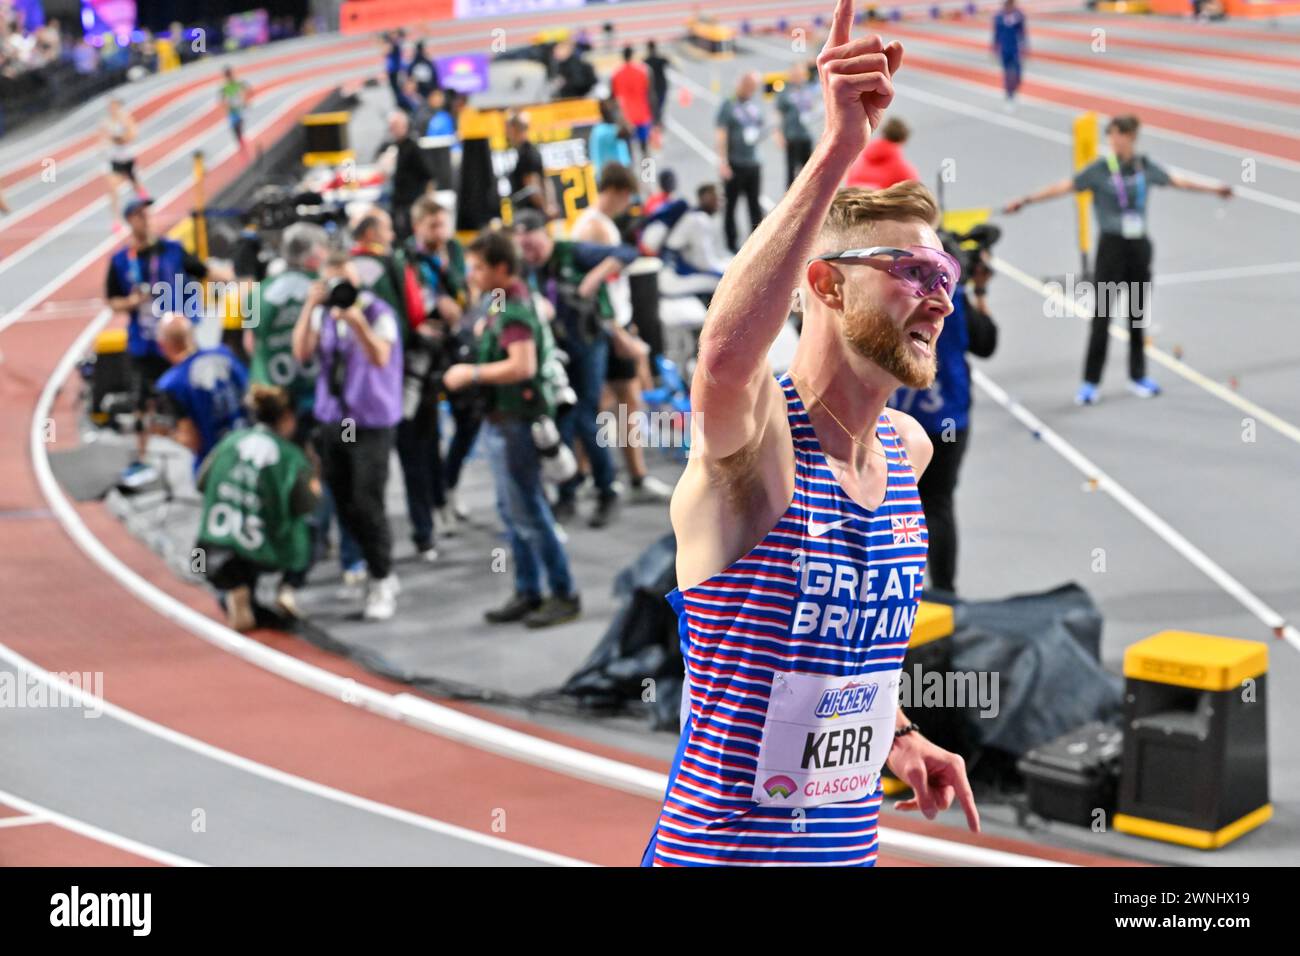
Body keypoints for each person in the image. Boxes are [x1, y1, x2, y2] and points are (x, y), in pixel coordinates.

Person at [640, 1, 979, 867]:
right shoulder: (759, 446)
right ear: (825, 287)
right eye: (910, 271)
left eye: (944, 273)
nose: (940, 295)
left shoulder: (906, 453)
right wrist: (835, 150)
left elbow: (845, 649)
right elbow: (721, 357)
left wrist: (897, 733)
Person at [1003, 113, 1233, 404]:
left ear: (1131, 137)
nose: (1114, 140)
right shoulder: (1099, 170)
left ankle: (1138, 377)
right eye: (1110, 135)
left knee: (1137, 316)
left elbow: (1179, 182)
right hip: (1111, 249)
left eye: (1119, 135)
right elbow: (1065, 187)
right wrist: (1025, 200)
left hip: (1139, 248)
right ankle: (1090, 382)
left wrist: (1215, 189)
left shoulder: (1144, 167)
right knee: (1102, 317)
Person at [443, 231, 581, 629]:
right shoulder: (502, 301)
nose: (473, 273)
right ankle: (529, 590)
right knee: (512, 510)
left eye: (480, 266)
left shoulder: (514, 308)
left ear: (502, 268)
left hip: (518, 423)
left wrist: (469, 373)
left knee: (530, 510)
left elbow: (522, 366)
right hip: (504, 421)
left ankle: (563, 592)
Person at [292, 253, 404, 621]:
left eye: (346, 284)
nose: (340, 292)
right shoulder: (324, 315)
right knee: (343, 501)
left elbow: (380, 357)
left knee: (367, 499)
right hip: (335, 419)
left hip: (370, 421)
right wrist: (310, 307)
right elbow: (301, 353)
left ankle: (382, 577)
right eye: (332, 285)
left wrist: (356, 321)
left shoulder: (377, 313)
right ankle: (371, 564)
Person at [888, 240, 998, 595]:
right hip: (949, 420)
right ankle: (946, 594)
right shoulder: (956, 300)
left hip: (900, 419)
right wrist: (979, 289)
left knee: (895, 508)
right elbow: (987, 343)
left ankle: (897, 593)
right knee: (938, 504)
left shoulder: (895, 297)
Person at [514, 208, 636, 527]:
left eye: (534, 244)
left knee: (584, 416)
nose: (531, 253)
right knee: (561, 418)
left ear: (547, 235)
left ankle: (606, 488)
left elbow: (627, 252)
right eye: (523, 247)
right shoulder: (526, 269)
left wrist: (596, 276)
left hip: (588, 342)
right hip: (556, 351)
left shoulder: (574, 251)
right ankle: (568, 491)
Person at [571, 163, 673, 505]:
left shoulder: (595, 225)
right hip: (606, 330)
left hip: (611, 325)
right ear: (615, 191)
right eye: (626, 196)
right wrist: (619, 333)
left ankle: (594, 473)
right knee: (610, 401)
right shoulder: (595, 231)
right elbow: (596, 292)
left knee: (613, 400)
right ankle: (600, 474)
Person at [196, 384, 319, 633]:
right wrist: (315, 481)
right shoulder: (290, 456)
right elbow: (306, 505)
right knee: (313, 529)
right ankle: (287, 589)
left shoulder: (230, 441)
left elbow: (201, 482)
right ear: (287, 418)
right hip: (264, 547)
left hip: (208, 551)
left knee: (217, 561)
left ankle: (233, 588)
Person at [105, 198, 212, 483]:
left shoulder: (172, 250)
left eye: (147, 213)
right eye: (139, 215)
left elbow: (204, 272)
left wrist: (237, 283)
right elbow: (112, 301)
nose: (146, 218)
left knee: (190, 396)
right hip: (143, 343)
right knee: (141, 403)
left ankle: (203, 452)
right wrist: (131, 301)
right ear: (129, 220)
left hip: (177, 342)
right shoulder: (120, 261)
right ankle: (142, 460)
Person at [154, 312, 249, 472]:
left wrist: (168, 434)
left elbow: (192, 440)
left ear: (163, 345)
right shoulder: (224, 354)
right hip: (247, 449)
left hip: (215, 465)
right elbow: (248, 391)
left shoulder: (172, 383)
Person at [715, 71, 767, 252]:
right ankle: (731, 245)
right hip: (735, 163)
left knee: (755, 205)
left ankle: (757, 243)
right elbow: (721, 134)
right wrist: (723, 162)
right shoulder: (728, 105)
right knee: (731, 206)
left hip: (753, 164)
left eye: (754, 88)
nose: (751, 90)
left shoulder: (754, 105)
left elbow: (760, 127)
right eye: (749, 86)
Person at [658, 183, 733, 301]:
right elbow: (704, 262)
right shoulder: (699, 220)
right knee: (724, 283)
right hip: (675, 273)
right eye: (718, 198)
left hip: (677, 267)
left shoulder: (695, 216)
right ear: (706, 198)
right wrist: (729, 270)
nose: (721, 203)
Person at [375, 111, 432, 241]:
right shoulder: (391, 146)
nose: (392, 130)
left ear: (404, 126)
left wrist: (425, 200)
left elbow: (427, 174)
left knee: (409, 233)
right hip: (396, 199)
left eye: (395, 126)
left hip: (411, 199)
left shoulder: (413, 147)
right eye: (391, 126)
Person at [774, 62, 820, 188]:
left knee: (809, 171)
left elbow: (815, 111)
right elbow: (778, 114)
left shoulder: (808, 89)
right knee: (791, 172)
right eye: (796, 73)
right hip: (791, 137)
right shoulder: (784, 91)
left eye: (801, 73)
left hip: (806, 136)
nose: (799, 76)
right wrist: (778, 134)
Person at [104, 97, 147, 227]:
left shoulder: (127, 119)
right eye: (110, 107)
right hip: (115, 161)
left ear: (119, 106)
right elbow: (104, 139)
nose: (112, 109)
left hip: (128, 159)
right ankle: (116, 220)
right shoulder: (107, 122)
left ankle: (145, 211)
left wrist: (121, 138)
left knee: (136, 187)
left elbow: (132, 136)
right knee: (112, 190)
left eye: (114, 106)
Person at [506, 112, 558, 218]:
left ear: (514, 129)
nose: (507, 133)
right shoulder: (526, 151)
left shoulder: (527, 154)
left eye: (508, 129)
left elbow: (533, 185)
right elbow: (545, 180)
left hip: (529, 215)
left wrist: (545, 208)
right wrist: (550, 205)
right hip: (531, 212)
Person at [844, 117, 919, 189]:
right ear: (903, 140)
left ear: (884, 133)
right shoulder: (904, 172)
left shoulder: (857, 164)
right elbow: (913, 197)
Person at [610, 45, 653, 161]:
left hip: (626, 117)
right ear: (632, 55)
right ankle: (648, 176)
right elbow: (649, 93)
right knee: (644, 147)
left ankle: (631, 176)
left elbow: (613, 97)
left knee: (627, 150)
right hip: (642, 114)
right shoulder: (643, 71)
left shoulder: (616, 74)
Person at [991, 0, 1027, 110]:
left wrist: (1024, 47)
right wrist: (994, 48)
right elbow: (996, 34)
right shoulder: (998, 17)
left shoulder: (1019, 15)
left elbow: (1023, 32)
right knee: (1007, 75)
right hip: (1004, 50)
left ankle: (1014, 91)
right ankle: (1009, 97)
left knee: (1017, 75)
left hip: (1015, 49)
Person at [588, 98, 633, 175]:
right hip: (610, 176)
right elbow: (626, 132)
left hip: (618, 173)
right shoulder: (602, 130)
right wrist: (621, 112)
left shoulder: (609, 128)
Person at [219, 65, 254, 150]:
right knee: (235, 125)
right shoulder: (224, 87)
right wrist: (226, 106)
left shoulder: (238, 83)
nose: (229, 76)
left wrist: (246, 101)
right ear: (225, 76)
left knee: (240, 122)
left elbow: (248, 89)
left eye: (230, 74)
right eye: (227, 75)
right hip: (232, 109)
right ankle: (239, 139)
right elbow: (222, 99)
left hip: (240, 106)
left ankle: (240, 138)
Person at [643, 40, 671, 131]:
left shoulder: (646, 61)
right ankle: (658, 121)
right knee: (660, 105)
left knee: (653, 106)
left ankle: (655, 122)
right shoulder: (660, 59)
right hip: (662, 86)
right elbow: (669, 62)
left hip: (652, 87)